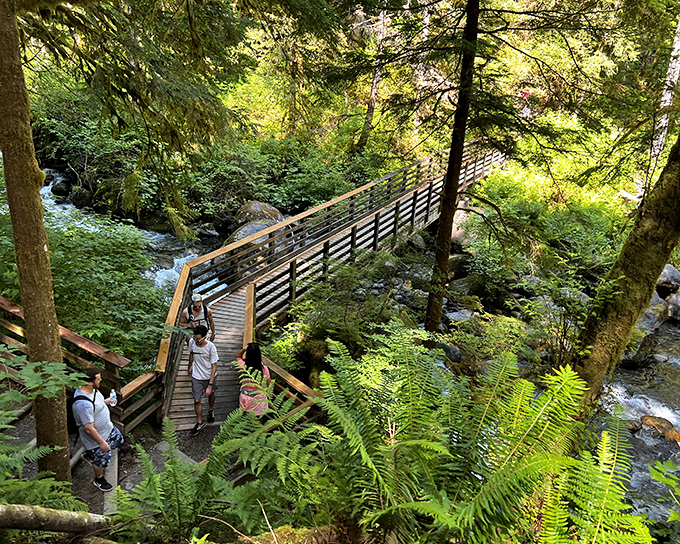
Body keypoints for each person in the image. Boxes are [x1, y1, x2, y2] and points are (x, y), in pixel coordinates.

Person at [72, 368, 124, 492]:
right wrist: (101, 443)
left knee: (119, 440)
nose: (100, 380)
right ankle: (99, 479)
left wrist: (107, 401)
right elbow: (89, 429)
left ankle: (92, 455)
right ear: (90, 382)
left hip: (108, 428)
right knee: (102, 460)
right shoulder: (83, 404)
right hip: (97, 438)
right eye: (98, 378)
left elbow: (97, 404)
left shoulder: (93, 390)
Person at [188, 324, 219, 436]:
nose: (196, 341)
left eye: (198, 339)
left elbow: (214, 366)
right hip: (196, 375)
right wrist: (189, 366)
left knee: (211, 394)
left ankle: (210, 410)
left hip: (209, 375)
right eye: (194, 338)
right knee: (197, 400)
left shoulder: (211, 347)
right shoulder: (192, 342)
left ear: (205, 337)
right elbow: (191, 354)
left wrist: (210, 385)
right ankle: (199, 422)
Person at [236, 342, 271, 416]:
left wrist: (244, 349)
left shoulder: (243, 366)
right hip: (259, 398)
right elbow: (269, 384)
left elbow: (238, 357)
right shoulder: (264, 369)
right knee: (258, 419)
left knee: (245, 418)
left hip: (245, 396)